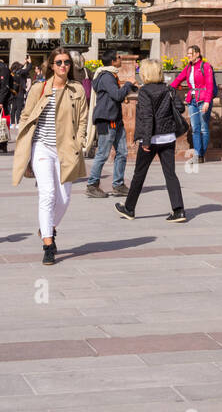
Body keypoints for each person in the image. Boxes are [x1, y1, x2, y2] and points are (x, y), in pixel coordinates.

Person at [13, 47, 88, 266]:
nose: (63, 66)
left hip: (66, 148)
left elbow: (83, 118)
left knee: (64, 198)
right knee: (48, 194)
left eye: (66, 62)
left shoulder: (77, 89)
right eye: (59, 62)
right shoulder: (40, 88)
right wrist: (24, 135)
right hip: (42, 147)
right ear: (51, 65)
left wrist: (80, 140)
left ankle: (47, 227)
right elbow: (27, 113)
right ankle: (48, 244)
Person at [115, 58, 185, 223]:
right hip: (168, 137)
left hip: (151, 139)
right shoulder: (168, 89)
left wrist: (145, 141)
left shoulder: (145, 91)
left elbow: (147, 117)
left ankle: (129, 208)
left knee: (139, 173)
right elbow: (180, 108)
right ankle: (179, 210)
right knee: (170, 174)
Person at [85, 51, 130, 197]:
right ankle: (92, 185)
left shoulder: (110, 75)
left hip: (115, 119)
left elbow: (115, 95)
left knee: (122, 152)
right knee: (102, 154)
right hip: (107, 119)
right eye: (118, 57)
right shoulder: (106, 77)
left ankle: (118, 184)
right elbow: (117, 95)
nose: (120, 59)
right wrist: (128, 85)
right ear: (112, 61)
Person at [171, 45, 216, 164]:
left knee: (203, 128)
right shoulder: (188, 68)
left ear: (197, 54)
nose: (188, 56)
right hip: (192, 100)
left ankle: (201, 153)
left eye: (190, 54)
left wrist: (207, 101)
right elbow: (178, 80)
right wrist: (167, 90)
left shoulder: (205, 66)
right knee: (195, 128)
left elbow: (210, 85)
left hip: (203, 99)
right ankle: (197, 154)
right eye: (188, 54)